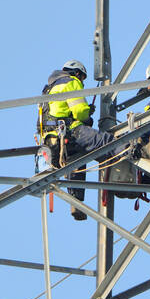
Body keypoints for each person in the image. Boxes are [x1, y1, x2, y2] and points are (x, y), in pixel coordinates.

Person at [38, 59, 118, 221]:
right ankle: (129, 151)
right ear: (77, 74)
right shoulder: (71, 82)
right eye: (82, 78)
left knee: (77, 161)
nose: (81, 82)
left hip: (50, 141)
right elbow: (80, 110)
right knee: (107, 141)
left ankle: (76, 202)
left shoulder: (48, 89)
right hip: (69, 132)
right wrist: (87, 115)